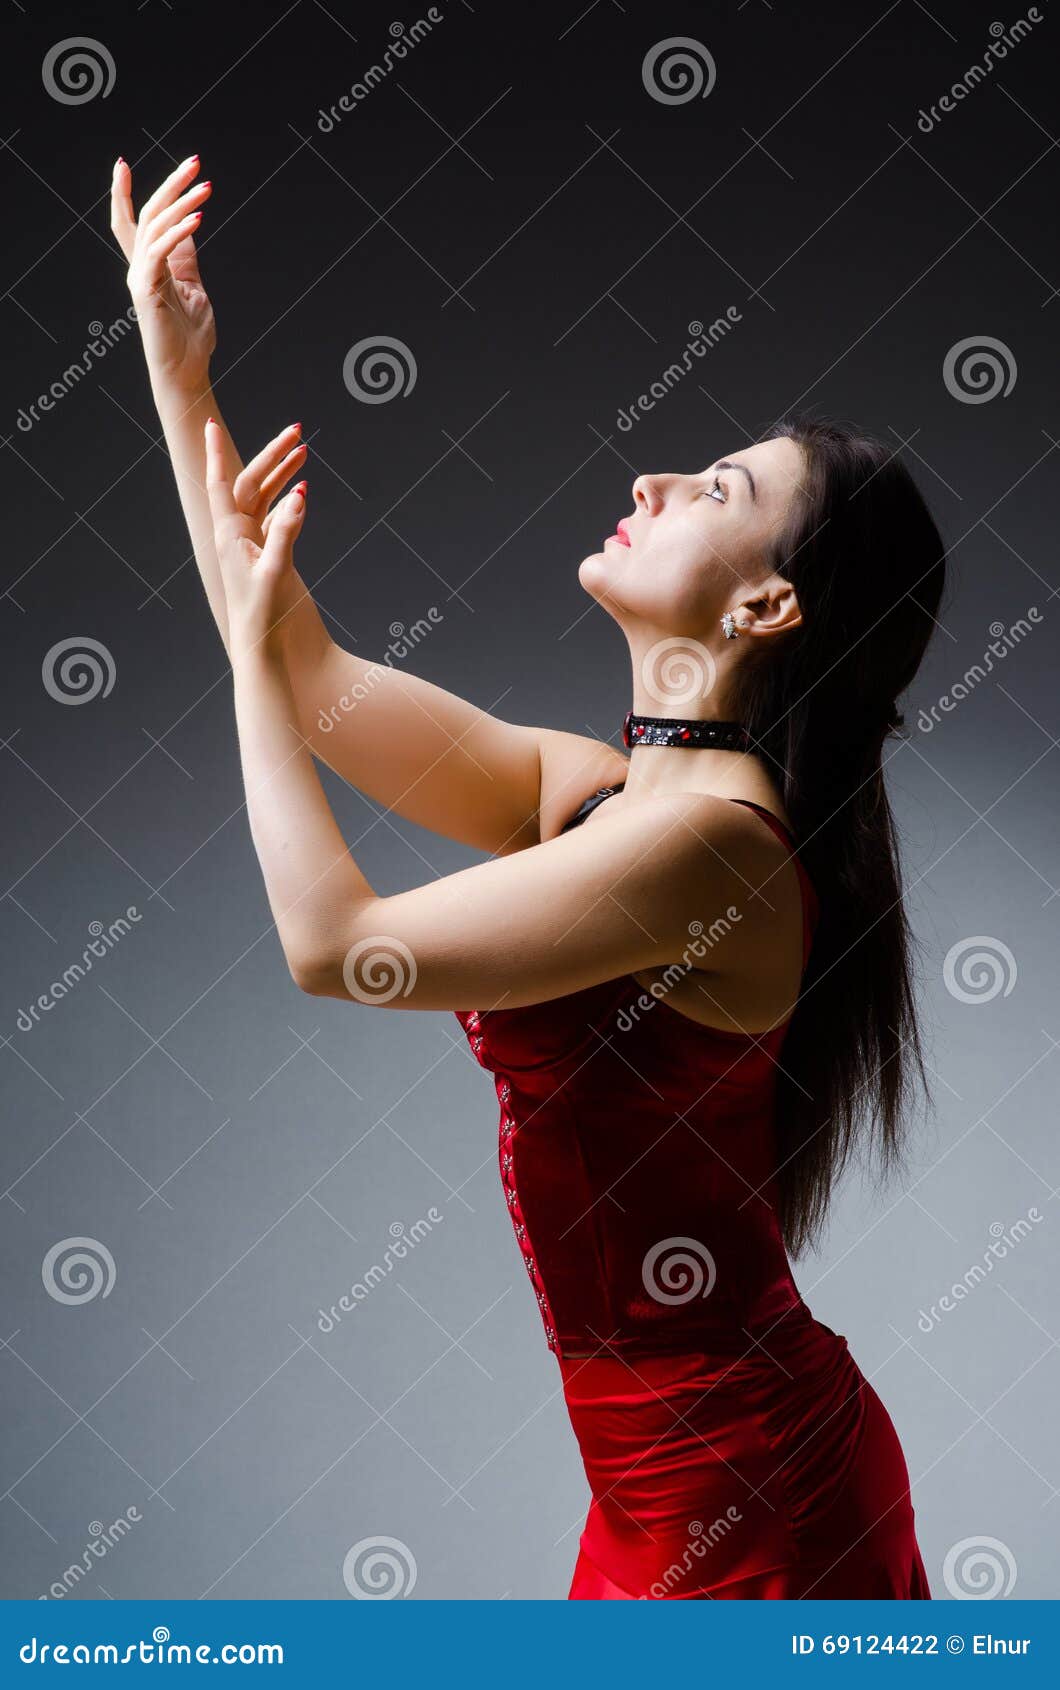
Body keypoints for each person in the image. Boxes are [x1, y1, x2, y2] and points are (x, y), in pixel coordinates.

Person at [109, 154, 946, 1600]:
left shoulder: (709, 854)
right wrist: (178, 370)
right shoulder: (601, 791)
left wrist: (253, 658)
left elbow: (336, 941)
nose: (655, 473)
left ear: (767, 603)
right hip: (658, 1487)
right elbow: (309, 678)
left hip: (748, 1500)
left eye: (718, 486)